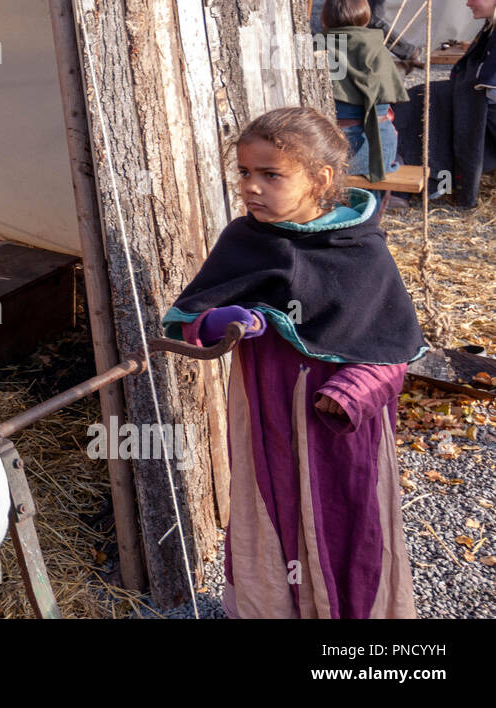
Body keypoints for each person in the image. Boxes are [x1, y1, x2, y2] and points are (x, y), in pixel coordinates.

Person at [162, 107, 423, 619]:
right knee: (271, 509)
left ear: (321, 178)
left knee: (348, 519)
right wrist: (221, 321)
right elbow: (188, 318)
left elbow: (395, 351)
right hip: (266, 415)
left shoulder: (361, 248)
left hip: (341, 432)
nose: (251, 187)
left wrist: (349, 395)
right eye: (244, 172)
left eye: (270, 174)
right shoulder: (246, 240)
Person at [395, 0, 496, 208]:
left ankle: (432, 180)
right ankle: (412, 175)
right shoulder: (489, 26)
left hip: (489, 107)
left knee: (427, 103)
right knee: (419, 97)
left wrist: (468, 97)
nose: (467, 3)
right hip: (478, 97)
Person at [322, 0, 408, 183]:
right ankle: (373, 209)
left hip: (327, 149)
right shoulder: (378, 48)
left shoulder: (315, 46)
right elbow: (384, 102)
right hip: (375, 149)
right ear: (365, 15)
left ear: (325, 17)